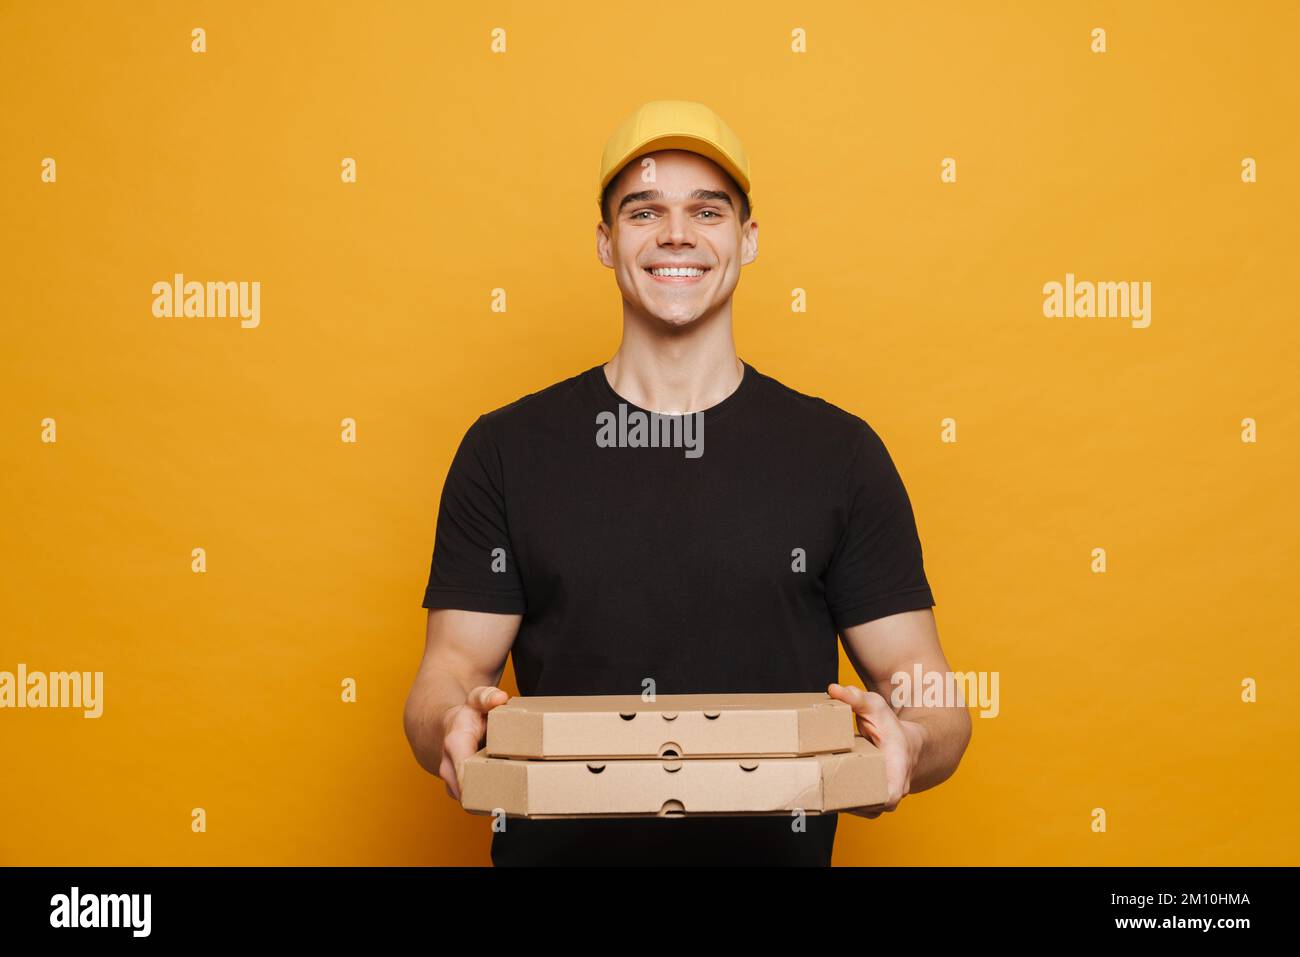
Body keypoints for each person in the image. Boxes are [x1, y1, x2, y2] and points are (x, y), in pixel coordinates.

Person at [403, 100, 971, 865]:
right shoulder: (504, 449)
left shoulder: (840, 453)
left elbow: (927, 689)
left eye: (708, 209)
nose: (677, 234)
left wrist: (907, 736)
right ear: (607, 242)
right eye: (645, 211)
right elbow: (449, 672)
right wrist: (449, 722)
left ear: (748, 239)